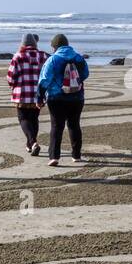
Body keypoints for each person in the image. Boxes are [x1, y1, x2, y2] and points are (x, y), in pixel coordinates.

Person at [38, 33, 89, 166]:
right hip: (77, 97)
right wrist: (74, 82)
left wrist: (40, 96)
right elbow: (85, 74)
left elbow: (44, 80)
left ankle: (54, 157)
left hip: (56, 98)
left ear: (54, 46)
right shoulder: (79, 58)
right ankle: (76, 155)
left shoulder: (53, 60)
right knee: (74, 125)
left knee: (56, 126)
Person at [7, 33, 48, 155]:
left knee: (23, 118)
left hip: (22, 93)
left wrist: (12, 85)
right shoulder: (43, 56)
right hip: (38, 93)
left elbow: (11, 76)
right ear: (35, 43)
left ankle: (33, 142)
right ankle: (30, 144)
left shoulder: (18, 56)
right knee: (34, 118)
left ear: (23, 43)